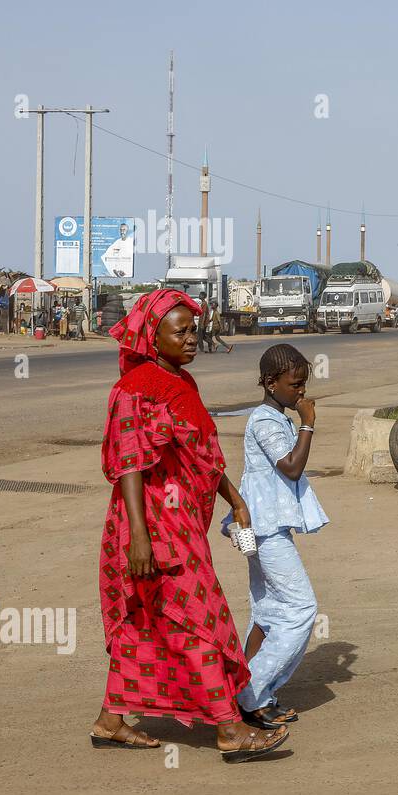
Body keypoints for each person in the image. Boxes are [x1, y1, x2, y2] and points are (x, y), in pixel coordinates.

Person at [91, 289, 289, 763]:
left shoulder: (182, 382)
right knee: (197, 619)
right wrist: (139, 537)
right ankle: (228, 729)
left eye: (192, 329)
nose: (191, 338)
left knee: (145, 619)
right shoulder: (135, 388)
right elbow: (129, 465)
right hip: (152, 526)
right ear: (152, 336)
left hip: (181, 522)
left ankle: (110, 721)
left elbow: (202, 455)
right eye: (179, 331)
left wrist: (236, 500)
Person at [223, 343, 327, 728]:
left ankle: (246, 687)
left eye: (303, 385)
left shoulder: (273, 416)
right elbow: (292, 468)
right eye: (294, 384)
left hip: (267, 526)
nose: (301, 392)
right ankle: (251, 695)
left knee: (268, 611)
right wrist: (308, 422)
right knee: (302, 609)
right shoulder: (266, 420)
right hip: (266, 531)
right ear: (270, 383)